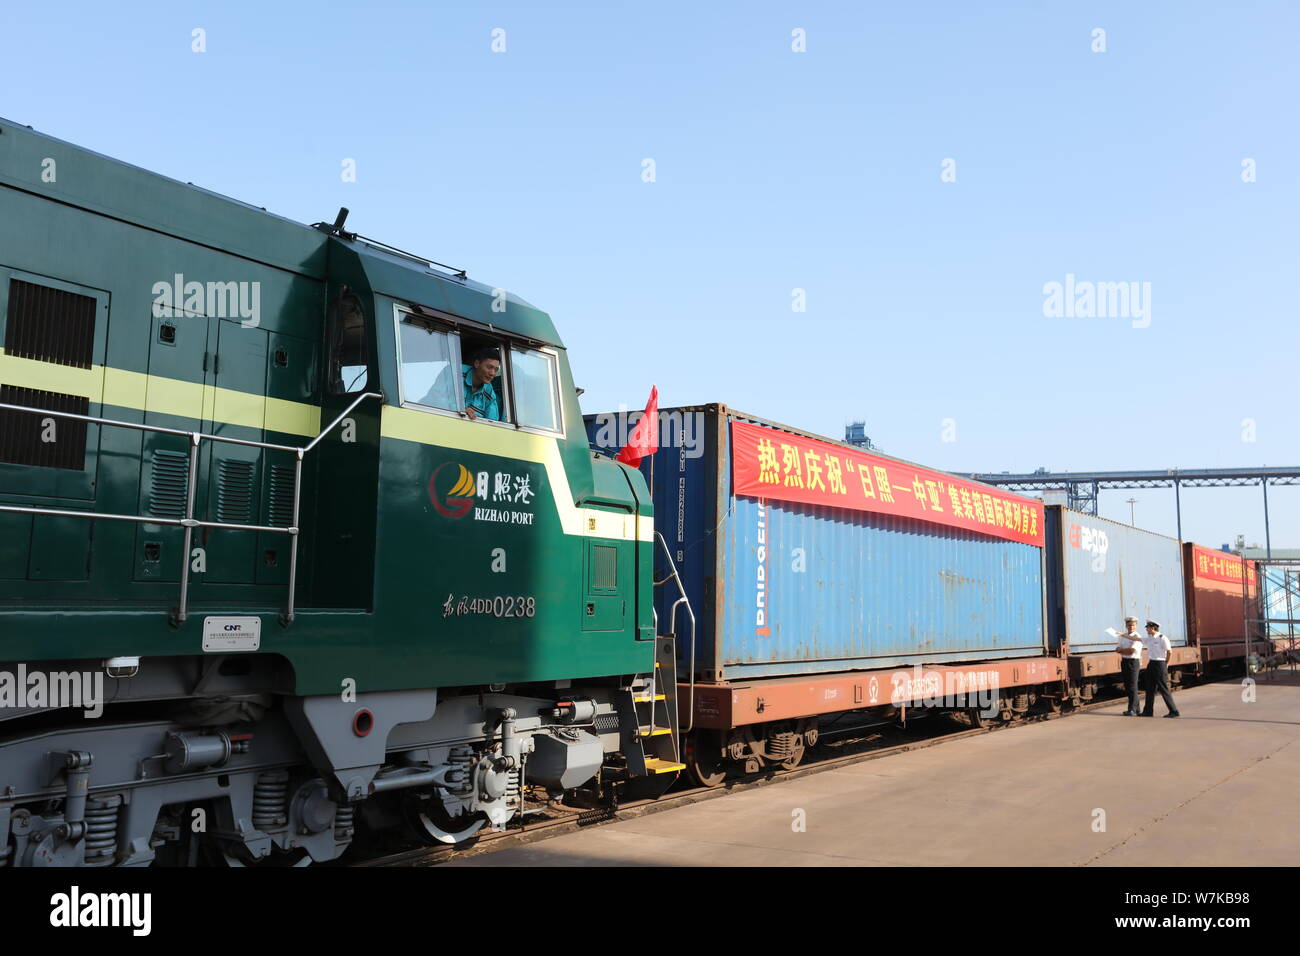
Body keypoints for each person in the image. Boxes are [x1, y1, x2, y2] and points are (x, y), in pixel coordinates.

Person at [1141, 620, 1180, 718]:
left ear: (1153, 628)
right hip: (1151, 664)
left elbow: (1169, 652)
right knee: (1149, 688)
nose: (1146, 629)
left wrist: (1166, 663)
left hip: (1160, 664)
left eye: (1147, 627)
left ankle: (1174, 711)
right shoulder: (1150, 638)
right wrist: (1122, 635)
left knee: (1163, 689)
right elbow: (1137, 639)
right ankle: (1148, 711)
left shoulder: (1162, 638)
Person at [461, 347, 501, 421]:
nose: (492, 373)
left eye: (496, 370)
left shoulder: (489, 392)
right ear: (477, 363)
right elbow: (436, 399)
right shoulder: (455, 373)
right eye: (489, 367)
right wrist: (459, 409)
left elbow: (493, 423)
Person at [1115, 617, 1144, 716]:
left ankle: (1132, 709)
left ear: (1136, 626)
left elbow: (1132, 651)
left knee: (1132, 686)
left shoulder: (1137, 636)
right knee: (1128, 686)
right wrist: (1122, 650)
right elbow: (1117, 648)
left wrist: (1121, 650)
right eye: (1129, 625)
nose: (1131, 627)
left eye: (1133, 625)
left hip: (1133, 662)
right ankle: (1136, 709)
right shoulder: (1124, 636)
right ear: (1126, 626)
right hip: (1125, 661)